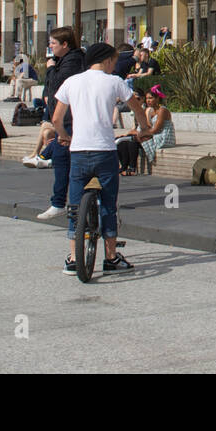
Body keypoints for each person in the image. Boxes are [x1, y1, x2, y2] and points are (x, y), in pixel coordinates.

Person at [51, 42, 148, 274]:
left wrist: (64, 136)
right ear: (106, 60)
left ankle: (74, 258)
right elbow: (136, 107)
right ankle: (111, 258)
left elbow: (56, 119)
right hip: (105, 151)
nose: (114, 65)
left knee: (75, 205)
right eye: (114, 61)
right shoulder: (115, 82)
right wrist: (143, 128)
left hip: (78, 151)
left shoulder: (71, 82)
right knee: (108, 204)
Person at [37, 27, 86, 221]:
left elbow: (57, 84)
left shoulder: (73, 60)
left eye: (53, 43)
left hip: (70, 119)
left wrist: (50, 68)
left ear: (65, 45)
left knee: (64, 158)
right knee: (61, 159)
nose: (50, 46)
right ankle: (60, 202)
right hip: (63, 118)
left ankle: (63, 203)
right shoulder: (64, 60)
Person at [135, 85, 175, 170]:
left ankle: (151, 157)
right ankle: (128, 167)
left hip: (164, 137)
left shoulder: (162, 110)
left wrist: (142, 133)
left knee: (142, 137)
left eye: (151, 98)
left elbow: (156, 129)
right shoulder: (151, 110)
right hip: (156, 134)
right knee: (130, 141)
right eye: (146, 98)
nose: (148, 100)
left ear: (157, 98)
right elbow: (147, 126)